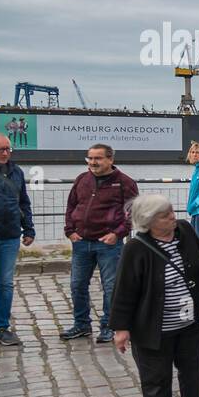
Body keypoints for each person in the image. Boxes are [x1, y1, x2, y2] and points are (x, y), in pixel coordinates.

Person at [110, 194, 199, 397]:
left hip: (190, 321)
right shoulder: (136, 248)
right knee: (155, 378)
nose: (172, 217)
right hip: (153, 327)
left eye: (171, 211)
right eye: (165, 214)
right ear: (149, 221)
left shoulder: (185, 231)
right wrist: (121, 329)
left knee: (192, 371)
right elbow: (125, 289)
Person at [62, 144, 138, 343]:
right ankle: (81, 324)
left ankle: (109, 326)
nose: (93, 162)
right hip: (81, 242)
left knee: (111, 287)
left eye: (98, 158)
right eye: (90, 158)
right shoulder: (82, 179)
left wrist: (117, 234)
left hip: (108, 244)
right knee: (77, 285)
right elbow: (71, 205)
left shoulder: (125, 183)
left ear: (110, 159)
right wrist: (70, 231)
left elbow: (132, 214)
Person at [0, 133, 35, 346]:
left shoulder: (16, 172)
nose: (6, 153)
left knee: (5, 284)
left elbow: (23, 203)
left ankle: (0, 328)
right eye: (0, 150)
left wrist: (29, 229)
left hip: (9, 238)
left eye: (8, 149)